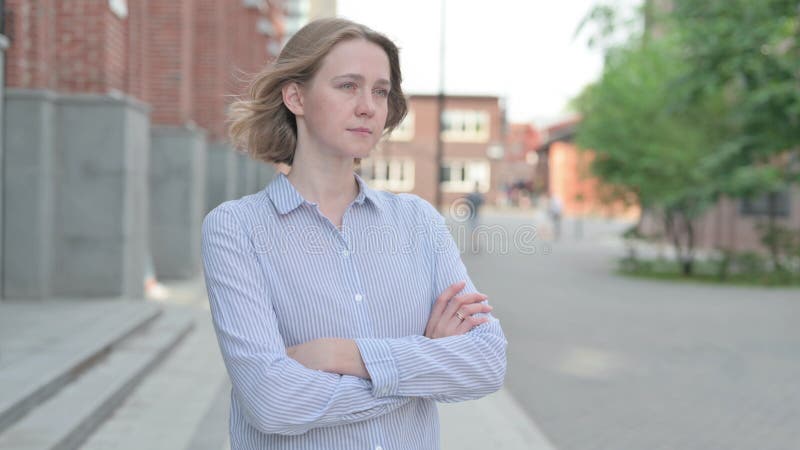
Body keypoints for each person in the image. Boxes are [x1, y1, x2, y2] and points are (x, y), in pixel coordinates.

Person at [201, 18, 507, 450]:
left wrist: (345, 356)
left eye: (380, 91)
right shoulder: (236, 229)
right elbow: (271, 401)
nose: (368, 106)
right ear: (296, 96)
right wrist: (421, 360)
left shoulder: (417, 221)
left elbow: (487, 361)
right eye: (348, 86)